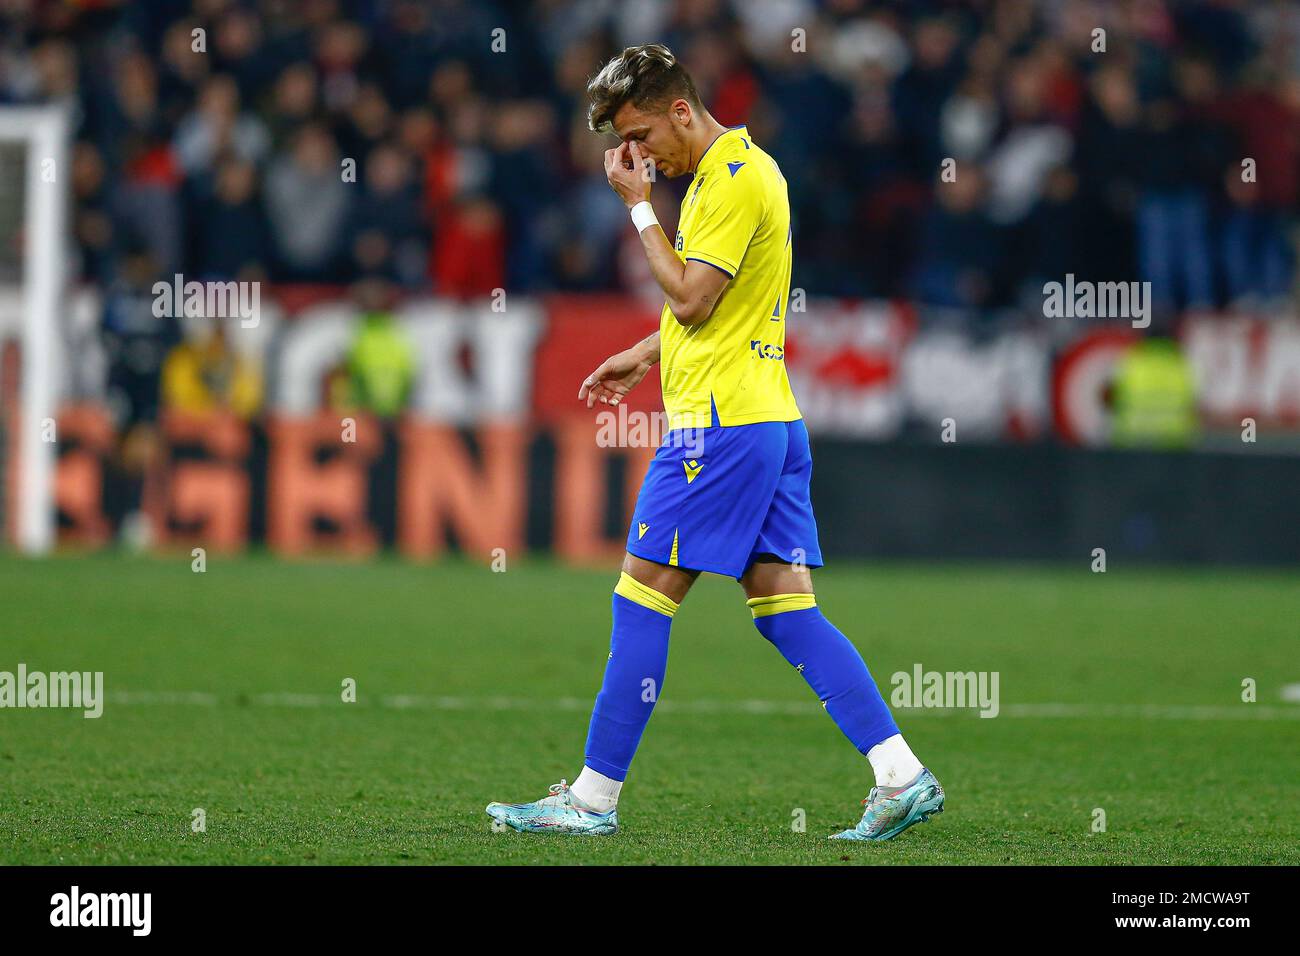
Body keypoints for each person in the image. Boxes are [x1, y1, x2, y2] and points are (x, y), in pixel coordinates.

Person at [486, 44, 944, 842]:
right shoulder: (734, 172)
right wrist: (643, 349)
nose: (635, 157)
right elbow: (720, 308)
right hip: (768, 419)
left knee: (641, 597)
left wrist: (637, 208)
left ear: (682, 111)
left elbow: (695, 299)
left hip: (719, 429)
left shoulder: (728, 182)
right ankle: (900, 774)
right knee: (784, 609)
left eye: (640, 136)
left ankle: (591, 801)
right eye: (622, 147)